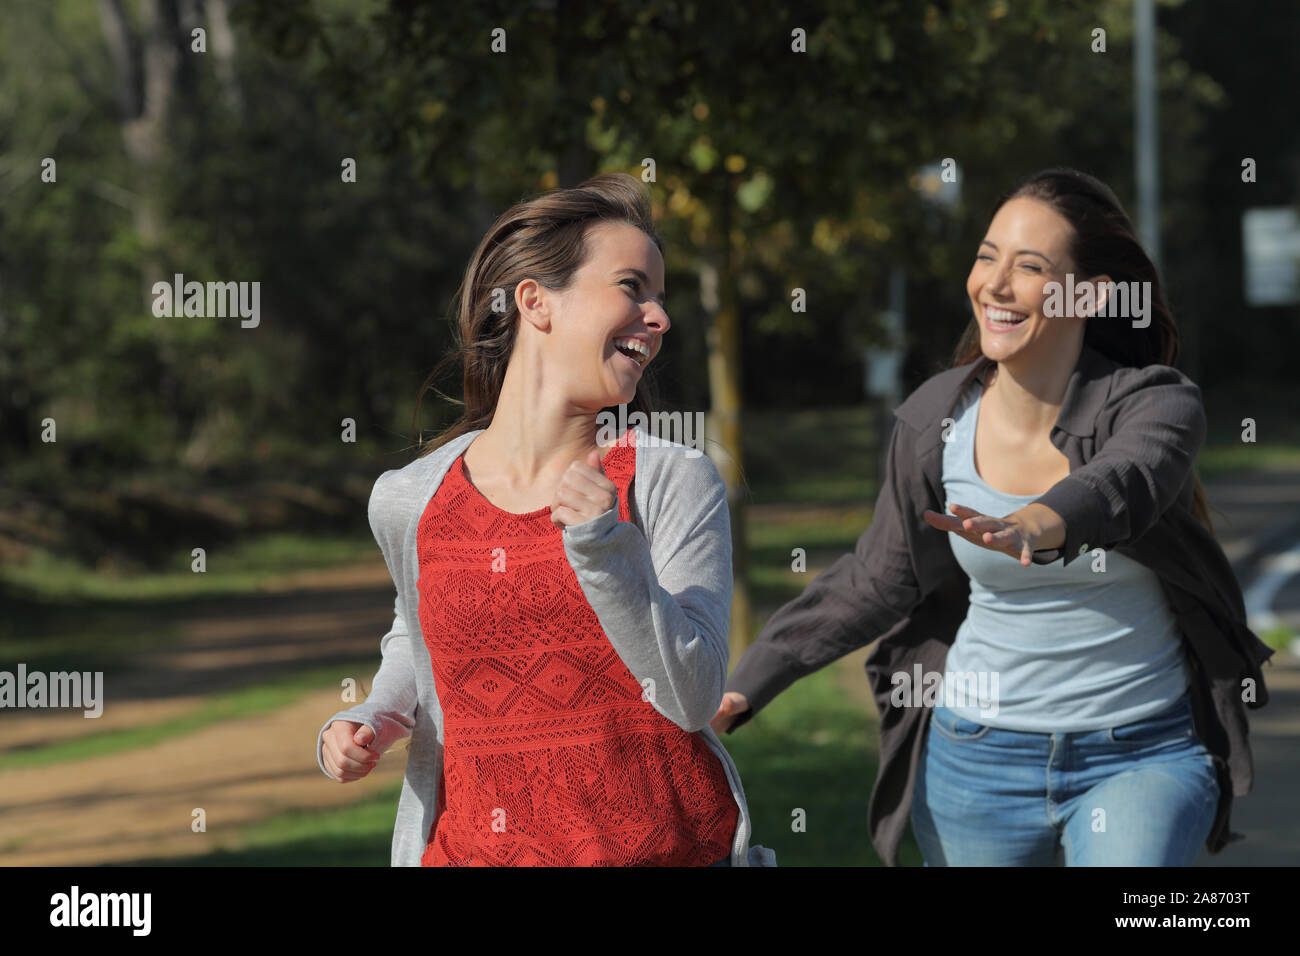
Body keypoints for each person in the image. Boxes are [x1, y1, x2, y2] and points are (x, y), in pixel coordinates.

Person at [712, 167, 1272, 866]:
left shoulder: (1154, 403)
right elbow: (877, 579)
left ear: (1090, 293)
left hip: (1141, 754)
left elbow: (1127, 478)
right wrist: (751, 678)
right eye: (987, 256)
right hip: (976, 759)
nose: (996, 284)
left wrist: (1039, 523)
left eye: (1030, 266)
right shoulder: (934, 422)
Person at [315, 172, 774, 866]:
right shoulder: (410, 498)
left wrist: (605, 547)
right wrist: (372, 714)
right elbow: (422, 635)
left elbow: (692, 694)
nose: (659, 317)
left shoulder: (669, 479)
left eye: (661, 297)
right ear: (535, 302)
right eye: (632, 287)